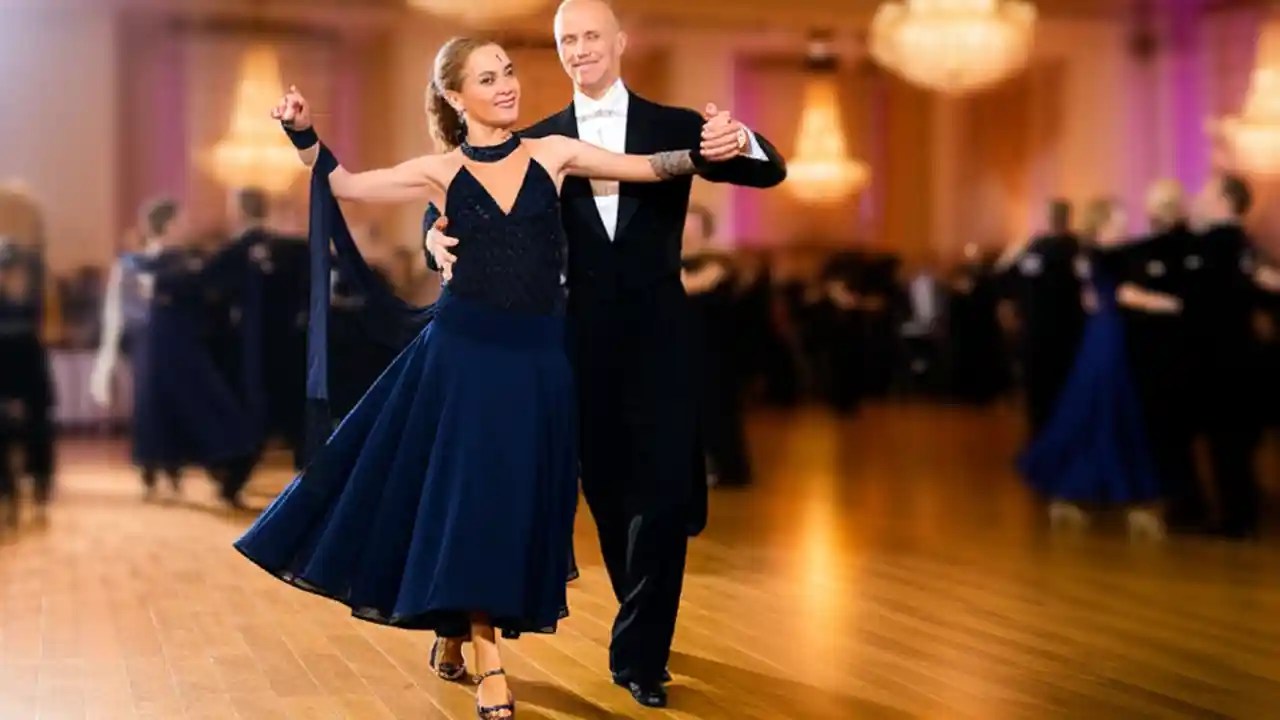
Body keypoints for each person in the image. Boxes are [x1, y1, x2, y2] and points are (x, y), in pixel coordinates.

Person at [233, 35, 752, 720]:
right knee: (473, 502)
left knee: (507, 506)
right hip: (464, 357)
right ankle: (489, 665)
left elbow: (648, 168)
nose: (507, 85)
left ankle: (451, 632)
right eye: (488, 77)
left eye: (509, 71)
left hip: (539, 364)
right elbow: (345, 186)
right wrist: (303, 133)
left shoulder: (553, 153)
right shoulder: (440, 171)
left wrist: (709, 150)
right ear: (456, 96)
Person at [425, 1, 786, 706]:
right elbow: (455, 205)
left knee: (665, 494)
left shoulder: (677, 126)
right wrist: (431, 242)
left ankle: (642, 656)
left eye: (592, 35)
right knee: (607, 492)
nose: (581, 48)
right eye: (567, 40)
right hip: (569, 343)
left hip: (661, 338)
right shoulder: (534, 142)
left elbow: (767, 173)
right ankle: (641, 625)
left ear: (621, 41)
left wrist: (740, 138)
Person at [90, 199, 260, 507]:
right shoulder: (137, 265)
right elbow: (121, 312)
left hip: (185, 348)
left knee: (194, 409)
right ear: (167, 225)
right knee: (159, 409)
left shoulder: (186, 263)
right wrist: (111, 357)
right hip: (155, 349)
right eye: (182, 221)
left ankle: (213, 470)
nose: (188, 226)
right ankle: (162, 468)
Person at [1017, 198, 1166, 538]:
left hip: (1105, 333)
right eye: (1117, 220)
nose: (1123, 225)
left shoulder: (1096, 255)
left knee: (1102, 409)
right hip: (1108, 336)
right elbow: (1123, 294)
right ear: (1101, 225)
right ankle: (1106, 492)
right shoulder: (1102, 256)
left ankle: (1088, 492)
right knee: (1106, 407)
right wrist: (1171, 304)